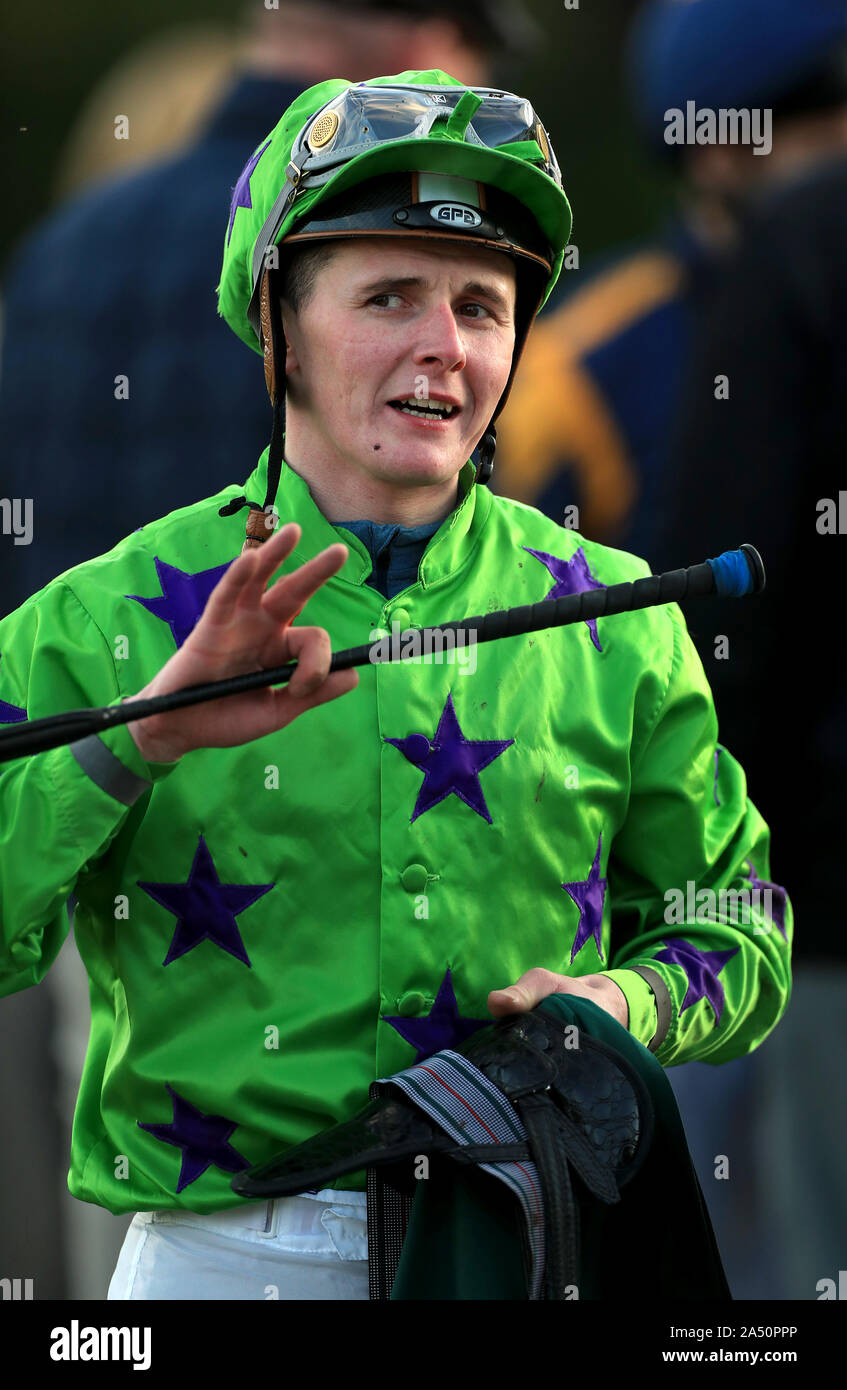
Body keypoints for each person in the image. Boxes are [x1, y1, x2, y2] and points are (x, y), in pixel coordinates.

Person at [0, 68, 791, 1301]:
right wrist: (136, 744)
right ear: (277, 325)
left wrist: (621, 999)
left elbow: (741, 921)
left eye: (482, 306)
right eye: (387, 297)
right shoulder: (96, 619)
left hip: (528, 1247)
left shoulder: (620, 615)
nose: (443, 348)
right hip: (213, 1260)